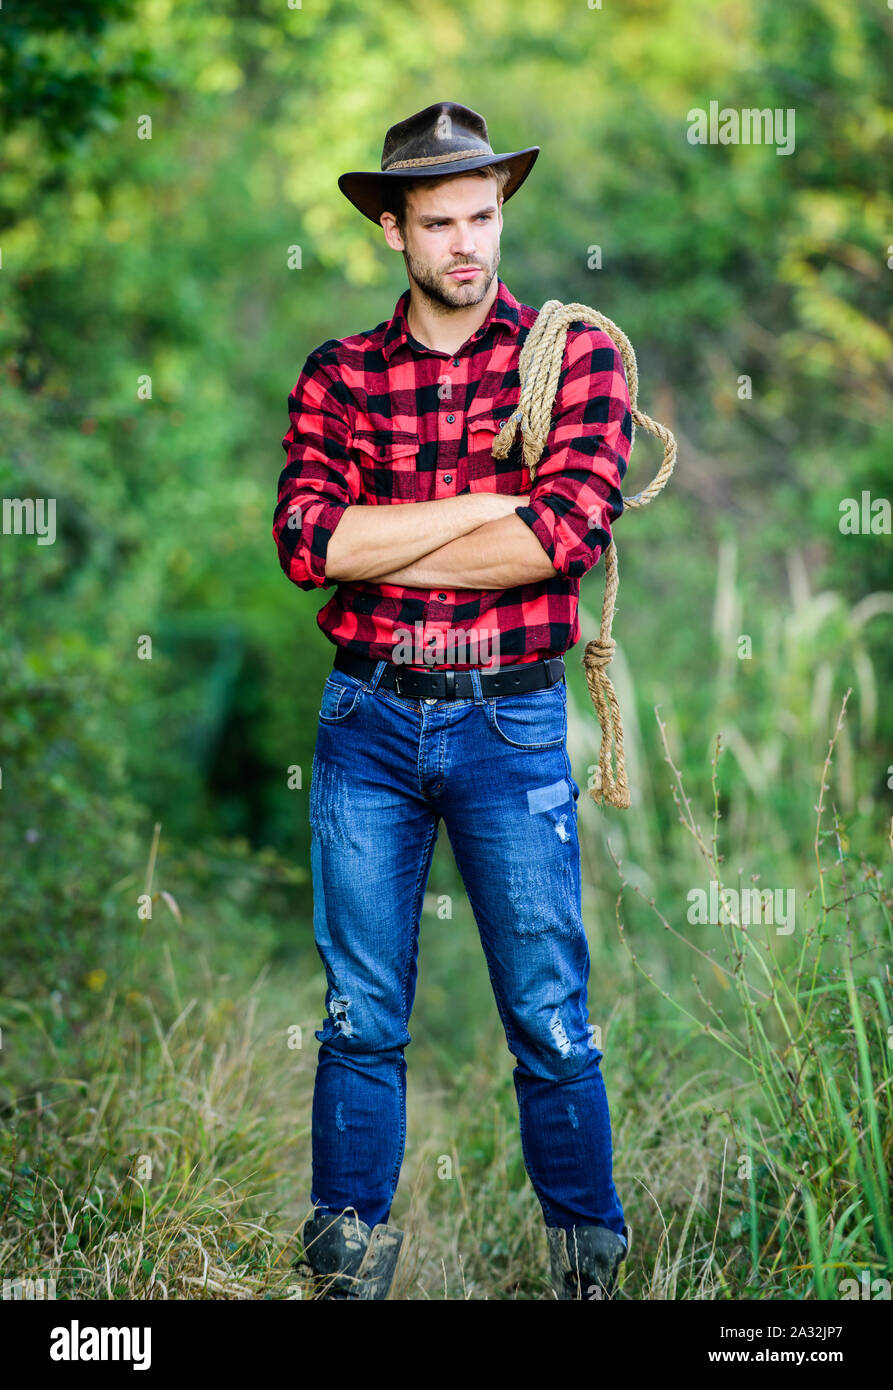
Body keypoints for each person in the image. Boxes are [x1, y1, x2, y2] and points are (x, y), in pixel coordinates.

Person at [273, 101, 632, 1301]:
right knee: (360, 1012)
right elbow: (308, 542)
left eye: (483, 215)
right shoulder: (338, 374)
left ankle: (589, 1267)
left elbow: (567, 532)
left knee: (546, 1010)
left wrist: (389, 544)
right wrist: (488, 513)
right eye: (439, 222)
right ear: (392, 229)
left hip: (509, 718)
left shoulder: (571, 353)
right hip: (365, 723)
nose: (467, 243)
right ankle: (348, 1268)